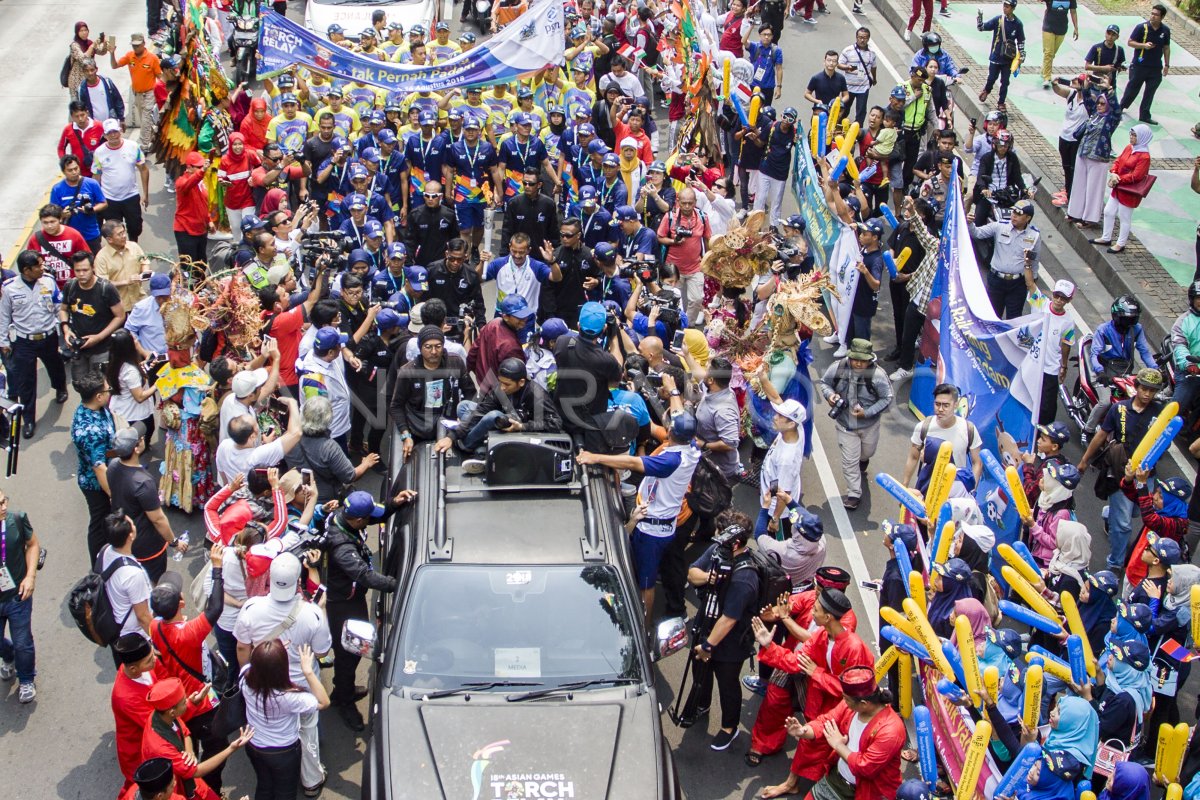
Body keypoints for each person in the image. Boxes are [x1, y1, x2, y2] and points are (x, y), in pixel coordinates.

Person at [753, 591, 876, 799]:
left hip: (845, 708)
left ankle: (798, 783)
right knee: (810, 740)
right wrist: (769, 645)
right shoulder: (821, 634)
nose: (812, 611)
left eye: (816, 609)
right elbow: (797, 661)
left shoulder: (854, 648)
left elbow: (852, 691)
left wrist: (816, 673)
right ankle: (793, 783)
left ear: (828, 617)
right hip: (820, 699)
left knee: (821, 744)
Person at [234, 552, 332, 796]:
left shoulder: (251, 608)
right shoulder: (312, 613)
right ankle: (311, 780)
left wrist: (250, 674)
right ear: (298, 580)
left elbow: (241, 647)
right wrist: (322, 610)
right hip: (302, 683)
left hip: (263, 682)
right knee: (308, 727)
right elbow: (322, 651)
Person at [324, 489, 416, 731]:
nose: (369, 520)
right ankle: (343, 700)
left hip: (350, 597)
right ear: (356, 520)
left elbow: (376, 515)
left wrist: (393, 504)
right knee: (349, 652)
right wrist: (400, 584)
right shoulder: (342, 547)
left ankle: (342, 689)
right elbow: (364, 575)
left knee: (354, 651)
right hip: (342, 604)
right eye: (366, 518)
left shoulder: (345, 516)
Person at [679, 513, 760, 751]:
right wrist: (709, 577)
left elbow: (729, 619)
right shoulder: (718, 552)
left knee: (727, 685)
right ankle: (701, 704)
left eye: (722, 537)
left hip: (730, 643)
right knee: (700, 673)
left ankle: (729, 727)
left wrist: (707, 647)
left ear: (736, 543)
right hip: (705, 627)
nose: (716, 538)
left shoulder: (745, 576)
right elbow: (693, 572)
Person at [1079, 367, 1166, 571]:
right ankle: (1115, 563)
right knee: (1124, 524)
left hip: (1147, 474)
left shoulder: (1159, 413)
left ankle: (1111, 513)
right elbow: (1101, 435)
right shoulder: (1119, 409)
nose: (1147, 394)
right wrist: (1084, 461)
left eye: (1152, 391)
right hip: (1121, 472)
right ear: (1136, 388)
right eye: (1144, 389)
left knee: (1139, 511)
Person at [241, 641, 330, 800]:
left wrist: (268, 651)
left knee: (264, 786)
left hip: (254, 745)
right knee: (285, 793)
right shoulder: (290, 698)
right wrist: (308, 672)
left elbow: (252, 659)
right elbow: (324, 702)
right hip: (283, 753)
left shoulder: (245, 680)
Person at [816, 339, 893, 510]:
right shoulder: (839, 367)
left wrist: (867, 412)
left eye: (862, 360)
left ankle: (863, 460)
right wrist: (830, 396)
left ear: (869, 360)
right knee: (849, 461)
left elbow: (887, 398)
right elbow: (825, 383)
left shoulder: (878, 376)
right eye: (855, 359)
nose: (858, 363)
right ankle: (854, 493)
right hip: (845, 425)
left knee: (867, 452)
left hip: (869, 425)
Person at [0, 250, 69, 439]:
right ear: (26, 270)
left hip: (48, 337)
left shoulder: (48, 281)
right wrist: (3, 342)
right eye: (38, 265)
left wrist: (65, 331)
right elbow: (4, 317)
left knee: (55, 367)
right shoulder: (10, 289)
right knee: (26, 382)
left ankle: (60, 386)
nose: (42, 268)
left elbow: (58, 308)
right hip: (24, 342)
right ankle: (28, 419)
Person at [435, 357, 561, 458]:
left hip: (520, 430)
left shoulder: (536, 394)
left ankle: (466, 445)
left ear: (521, 382)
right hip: (502, 421)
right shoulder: (499, 389)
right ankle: (476, 439)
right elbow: (480, 411)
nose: (502, 387)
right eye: (500, 382)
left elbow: (555, 423)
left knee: (493, 415)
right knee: (464, 406)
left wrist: (523, 427)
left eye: (507, 384)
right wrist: (452, 436)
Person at [108, 424, 188, 581]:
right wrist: (174, 541)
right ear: (136, 449)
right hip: (147, 545)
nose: (143, 438)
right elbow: (158, 519)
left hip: (126, 539)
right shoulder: (143, 482)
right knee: (153, 581)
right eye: (140, 439)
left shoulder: (112, 466)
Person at [1082, 296, 1157, 436]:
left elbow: (1145, 352)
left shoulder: (1137, 329)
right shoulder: (1103, 330)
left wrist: (1156, 370)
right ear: (1116, 316)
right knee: (1105, 402)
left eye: (1133, 319)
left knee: (1134, 399)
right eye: (1126, 319)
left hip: (1125, 372)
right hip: (1104, 372)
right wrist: (1100, 372)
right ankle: (1088, 429)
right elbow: (1094, 354)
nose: (1129, 323)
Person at [968, 198, 1041, 320]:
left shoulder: (1034, 235)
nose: (1014, 216)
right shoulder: (1000, 226)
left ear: (1028, 218)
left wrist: (1031, 284)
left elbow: (1035, 260)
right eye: (1013, 212)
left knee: (1014, 319)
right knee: (992, 317)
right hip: (996, 281)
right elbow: (978, 233)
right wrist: (969, 223)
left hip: (1018, 284)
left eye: (1019, 214)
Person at [902, 383, 983, 490]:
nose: (940, 409)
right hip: (926, 486)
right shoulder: (923, 427)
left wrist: (971, 490)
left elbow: (977, 463)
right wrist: (904, 485)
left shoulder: (969, 429)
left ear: (955, 405)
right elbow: (913, 457)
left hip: (955, 489)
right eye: (937, 404)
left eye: (945, 405)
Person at [0, 490, 40, 704]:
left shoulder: (17, 519)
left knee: (23, 641)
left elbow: (33, 544)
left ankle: (26, 679)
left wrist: (30, 577)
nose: (4, 507)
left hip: (17, 595)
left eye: (4, 500)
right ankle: (8, 656)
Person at [61, 251, 124, 383]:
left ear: (93, 268)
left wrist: (99, 337)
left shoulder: (106, 288)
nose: (81, 274)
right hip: (78, 346)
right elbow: (63, 309)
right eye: (77, 270)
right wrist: (66, 330)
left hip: (101, 348)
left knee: (100, 383)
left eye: (85, 270)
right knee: (79, 382)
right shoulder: (70, 286)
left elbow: (119, 316)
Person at [1067, 85, 1123, 229]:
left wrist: (1110, 91)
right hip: (1083, 153)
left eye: (1102, 103)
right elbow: (1087, 100)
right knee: (1079, 184)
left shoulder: (1110, 120)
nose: (1099, 105)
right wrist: (1084, 87)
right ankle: (1075, 212)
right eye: (1098, 102)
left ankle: (1090, 218)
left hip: (1098, 158)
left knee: (1094, 189)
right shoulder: (1094, 115)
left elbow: (1117, 111)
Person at [1093, 125, 1153, 254]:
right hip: (1119, 186)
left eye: (1135, 135)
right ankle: (1106, 237)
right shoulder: (1129, 148)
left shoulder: (1144, 157)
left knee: (1124, 217)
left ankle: (1121, 243)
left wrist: (1118, 178)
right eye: (1131, 134)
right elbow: (1118, 160)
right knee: (1108, 211)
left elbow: (1137, 176)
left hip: (1128, 190)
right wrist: (1114, 172)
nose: (1131, 137)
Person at [215, 398, 301, 486]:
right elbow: (296, 433)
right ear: (252, 436)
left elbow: (225, 481)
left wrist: (265, 445)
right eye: (256, 425)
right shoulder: (258, 456)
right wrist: (292, 403)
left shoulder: (223, 446)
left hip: (233, 495)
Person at [94, 120, 150, 243]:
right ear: (104, 135)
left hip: (130, 196)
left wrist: (145, 194)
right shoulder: (99, 152)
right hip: (110, 199)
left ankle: (133, 246)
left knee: (135, 227)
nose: (113, 135)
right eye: (109, 133)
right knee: (114, 231)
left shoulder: (133, 147)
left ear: (121, 131)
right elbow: (96, 176)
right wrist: (97, 198)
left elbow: (144, 170)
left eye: (115, 131)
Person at [109, 33, 161, 153]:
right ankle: (152, 136)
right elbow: (114, 65)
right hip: (137, 94)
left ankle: (143, 145)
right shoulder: (130, 56)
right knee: (145, 120)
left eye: (138, 46)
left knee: (146, 118)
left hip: (149, 93)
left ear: (143, 43)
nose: (136, 48)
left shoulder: (152, 58)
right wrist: (112, 53)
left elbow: (160, 76)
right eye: (134, 46)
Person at [1120, 5, 1170, 126]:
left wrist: (1167, 65)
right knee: (1132, 88)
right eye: (1152, 13)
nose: (1153, 16)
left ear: (1162, 17)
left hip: (1155, 67)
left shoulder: (1165, 30)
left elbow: (1166, 47)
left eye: (1156, 14)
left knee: (1150, 91)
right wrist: (1144, 45)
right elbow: (1130, 42)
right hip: (1139, 65)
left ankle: (1144, 115)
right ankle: (1120, 108)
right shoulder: (1141, 27)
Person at [106, 330, 157, 445]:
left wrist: (145, 366)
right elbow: (139, 397)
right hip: (134, 415)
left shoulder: (114, 362)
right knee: (140, 441)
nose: (136, 341)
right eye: (133, 340)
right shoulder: (130, 371)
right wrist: (158, 385)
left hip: (120, 410)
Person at [52, 155, 108, 254]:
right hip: (68, 236)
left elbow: (103, 203)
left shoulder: (92, 184)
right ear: (64, 172)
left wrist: (92, 210)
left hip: (91, 234)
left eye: (76, 168)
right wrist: (62, 214)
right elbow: (52, 212)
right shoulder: (57, 189)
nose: (74, 172)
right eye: (70, 170)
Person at [978, 0, 1026, 111]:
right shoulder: (998, 20)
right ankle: (987, 90)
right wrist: (979, 20)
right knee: (991, 78)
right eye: (1004, 6)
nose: (1005, 8)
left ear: (1013, 8)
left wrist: (1022, 54)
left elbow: (1021, 40)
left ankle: (1001, 102)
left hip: (1008, 59)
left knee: (1005, 82)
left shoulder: (1018, 24)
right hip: (995, 57)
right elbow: (983, 27)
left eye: (1008, 7)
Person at [95, 221, 148, 313]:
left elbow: (144, 262)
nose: (124, 236)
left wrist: (144, 273)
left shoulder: (134, 247)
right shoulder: (101, 258)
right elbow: (103, 284)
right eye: (119, 234)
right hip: (119, 306)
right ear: (109, 239)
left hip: (140, 299)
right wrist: (126, 282)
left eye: (124, 232)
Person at [839, 29, 877, 127]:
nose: (862, 40)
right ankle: (838, 127)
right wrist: (847, 67)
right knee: (844, 109)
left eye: (865, 38)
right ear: (856, 37)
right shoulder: (848, 50)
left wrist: (874, 78)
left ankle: (857, 131)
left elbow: (873, 67)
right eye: (860, 37)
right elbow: (839, 64)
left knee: (861, 111)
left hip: (863, 87)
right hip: (848, 87)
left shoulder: (872, 53)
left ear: (868, 38)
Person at [1040, 0, 1079, 88]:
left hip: (1062, 29)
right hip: (1048, 27)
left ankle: (1044, 68)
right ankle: (1047, 77)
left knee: (1052, 53)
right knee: (1048, 52)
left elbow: (1073, 12)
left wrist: (1076, 28)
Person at [1086, 25, 1127, 94]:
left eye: (1113, 35)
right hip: (1097, 84)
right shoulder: (1096, 47)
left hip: (1111, 85)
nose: (1110, 37)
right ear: (1105, 33)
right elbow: (1087, 66)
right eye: (1108, 33)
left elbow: (1122, 66)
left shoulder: (1119, 50)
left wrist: (1121, 68)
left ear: (1117, 37)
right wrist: (1104, 68)